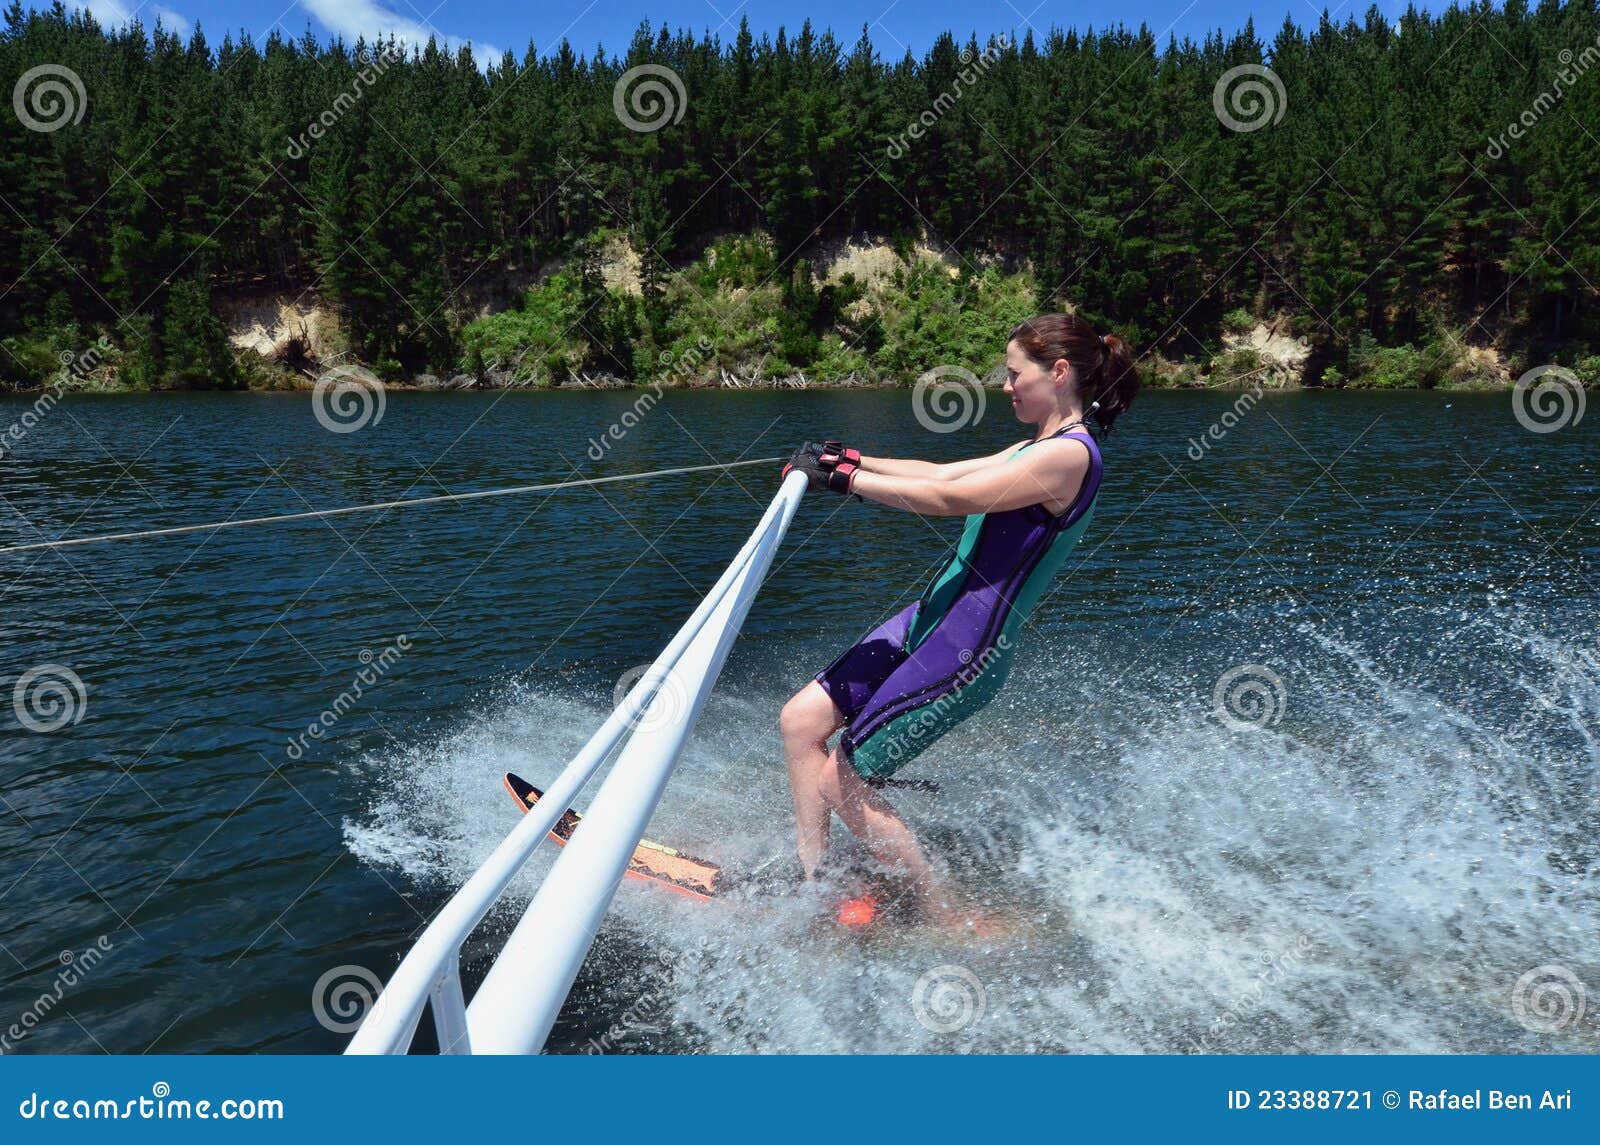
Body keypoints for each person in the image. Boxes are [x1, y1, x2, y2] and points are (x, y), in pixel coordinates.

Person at [778, 313, 1138, 925]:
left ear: (1058, 373)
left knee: (843, 779)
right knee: (801, 720)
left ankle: (946, 917)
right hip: (929, 620)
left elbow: (952, 502)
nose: (1005, 385)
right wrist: (849, 458)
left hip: (968, 649)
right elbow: (943, 473)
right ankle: (817, 881)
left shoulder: (1070, 459)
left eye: (1014, 373)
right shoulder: (1036, 446)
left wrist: (844, 482)